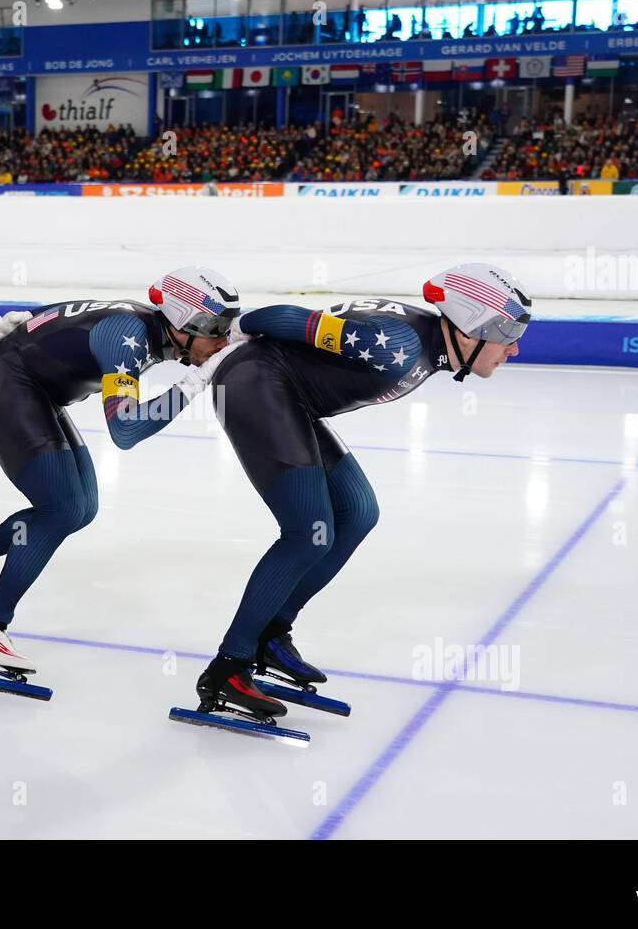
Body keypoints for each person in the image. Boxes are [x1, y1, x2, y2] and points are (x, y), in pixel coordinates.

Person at [193, 263, 532, 721]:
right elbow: (279, 318)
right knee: (307, 531)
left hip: (289, 396)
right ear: (471, 327)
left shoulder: (428, 346)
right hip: (254, 385)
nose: (514, 347)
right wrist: (230, 333)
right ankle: (228, 668)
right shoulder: (399, 345)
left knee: (357, 512)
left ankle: (270, 633)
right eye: (508, 332)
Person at [0, 267, 244, 680]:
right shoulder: (133, 337)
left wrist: (32, 320)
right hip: (7, 389)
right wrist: (193, 383)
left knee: (82, 508)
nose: (223, 341)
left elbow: (82, 314)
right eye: (217, 329)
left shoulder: (149, 328)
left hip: (34, 392)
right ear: (184, 321)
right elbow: (126, 430)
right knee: (62, 508)